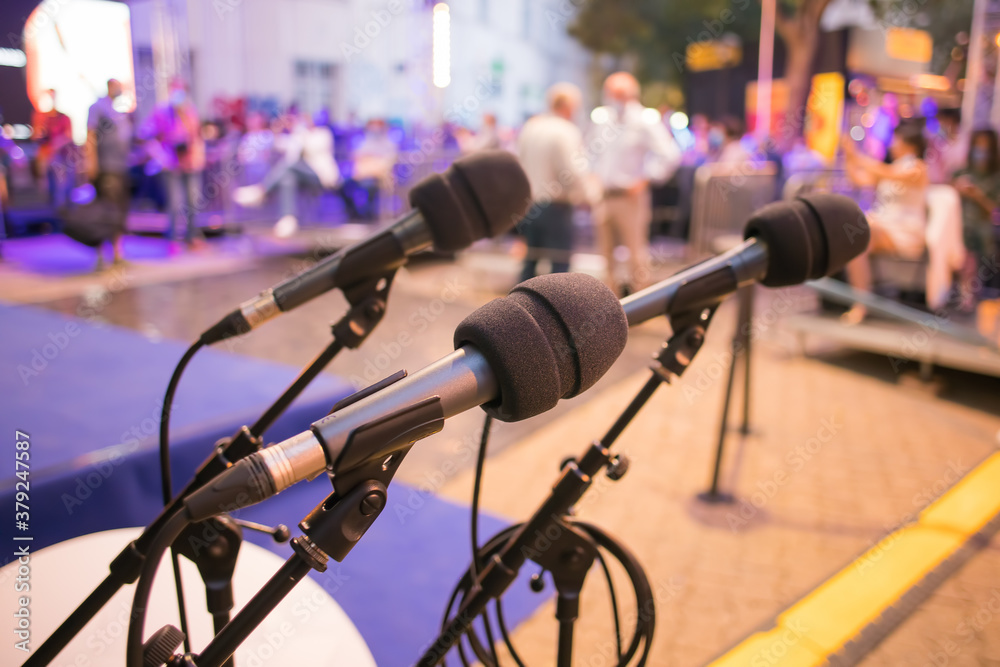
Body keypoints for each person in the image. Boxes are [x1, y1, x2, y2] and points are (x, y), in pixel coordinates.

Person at [589, 71, 681, 294]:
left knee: (635, 253)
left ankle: (640, 300)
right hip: (604, 196)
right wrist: (592, 180)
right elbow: (591, 153)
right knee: (606, 255)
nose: (613, 97)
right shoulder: (604, 119)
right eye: (610, 92)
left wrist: (645, 179)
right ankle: (607, 303)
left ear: (631, 94)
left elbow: (670, 155)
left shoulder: (644, 120)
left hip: (630, 198)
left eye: (618, 93)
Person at [841, 123, 929, 324]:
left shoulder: (918, 168)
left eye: (896, 140)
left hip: (907, 231)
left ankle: (861, 303)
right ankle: (859, 299)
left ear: (910, 145)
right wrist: (849, 156)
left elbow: (887, 173)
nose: (892, 145)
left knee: (861, 234)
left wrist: (858, 156)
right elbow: (858, 179)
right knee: (855, 235)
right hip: (887, 228)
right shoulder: (893, 168)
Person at [516, 83, 591, 283]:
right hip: (556, 207)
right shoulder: (566, 131)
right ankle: (554, 312)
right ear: (569, 106)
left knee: (530, 262)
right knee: (559, 270)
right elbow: (573, 171)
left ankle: (519, 309)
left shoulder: (531, 127)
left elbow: (519, 163)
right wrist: (587, 196)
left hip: (530, 204)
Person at [233, 108, 342, 237]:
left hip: (322, 177)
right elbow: (281, 145)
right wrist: (277, 130)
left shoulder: (323, 134)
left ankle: (261, 191)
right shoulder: (300, 135)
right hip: (300, 175)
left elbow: (311, 147)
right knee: (287, 178)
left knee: (289, 166)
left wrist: (299, 130)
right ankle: (288, 219)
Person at [142, 79, 206, 250]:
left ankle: (192, 236)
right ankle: (173, 239)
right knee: (174, 202)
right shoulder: (161, 112)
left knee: (193, 201)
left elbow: (197, 137)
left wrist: (199, 156)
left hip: (191, 164)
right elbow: (146, 136)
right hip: (171, 165)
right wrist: (162, 157)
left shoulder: (190, 111)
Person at [86, 79, 133, 267]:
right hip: (106, 168)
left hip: (121, 167)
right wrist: (91, 163)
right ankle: (100, 254)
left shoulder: (119, 111)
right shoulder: (97, 107)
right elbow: (90, 135)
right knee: (105, 210)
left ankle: (117, 253)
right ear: (109, 87)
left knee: (119, 210)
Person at [952, 129, 1000, 308]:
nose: (981, 149)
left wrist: (977, 195)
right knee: (961, 235)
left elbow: (994, 209)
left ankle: (968, 293)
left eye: (985, 146)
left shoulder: (996, 177)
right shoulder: (962, 171)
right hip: (957, 223)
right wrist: (957, 189)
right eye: (978, 145)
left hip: (982, 225)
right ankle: (961, 291)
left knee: (973, 236)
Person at [345, 119, 397, 221]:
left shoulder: (389, 144)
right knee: (345, 186)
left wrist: (371, 161)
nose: (375, 130)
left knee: (369, 187)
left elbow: (386, 163)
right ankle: (355, 214)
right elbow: (357, 158)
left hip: (379, 178)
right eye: (372, 127)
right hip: (362, 175)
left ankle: (369, 216)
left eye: (377, 127)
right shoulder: (364, 142)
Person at [31, 89, 74, 208]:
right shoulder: (40, 117)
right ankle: (47, 210)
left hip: (60, 156)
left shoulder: (64, 118)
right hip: (45, 156)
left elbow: (68, 136)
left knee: (60, 185)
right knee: (45, 185)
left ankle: (60, 210)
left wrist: (55, 145)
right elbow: (36, 135)